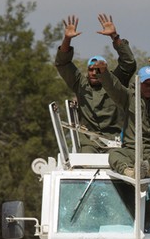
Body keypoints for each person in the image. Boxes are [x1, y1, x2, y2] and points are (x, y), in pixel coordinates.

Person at [54, 14, 136, 153]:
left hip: (115, 141)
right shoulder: (80, 84)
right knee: (85, 160)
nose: (94, 73)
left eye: (98, 70)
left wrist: (114, 37)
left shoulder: (115, 81)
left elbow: (128, 63)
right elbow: (62, 63)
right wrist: (67, 39)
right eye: (91, 69)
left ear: (105, 70)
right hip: (89, 141)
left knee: (118, 162)